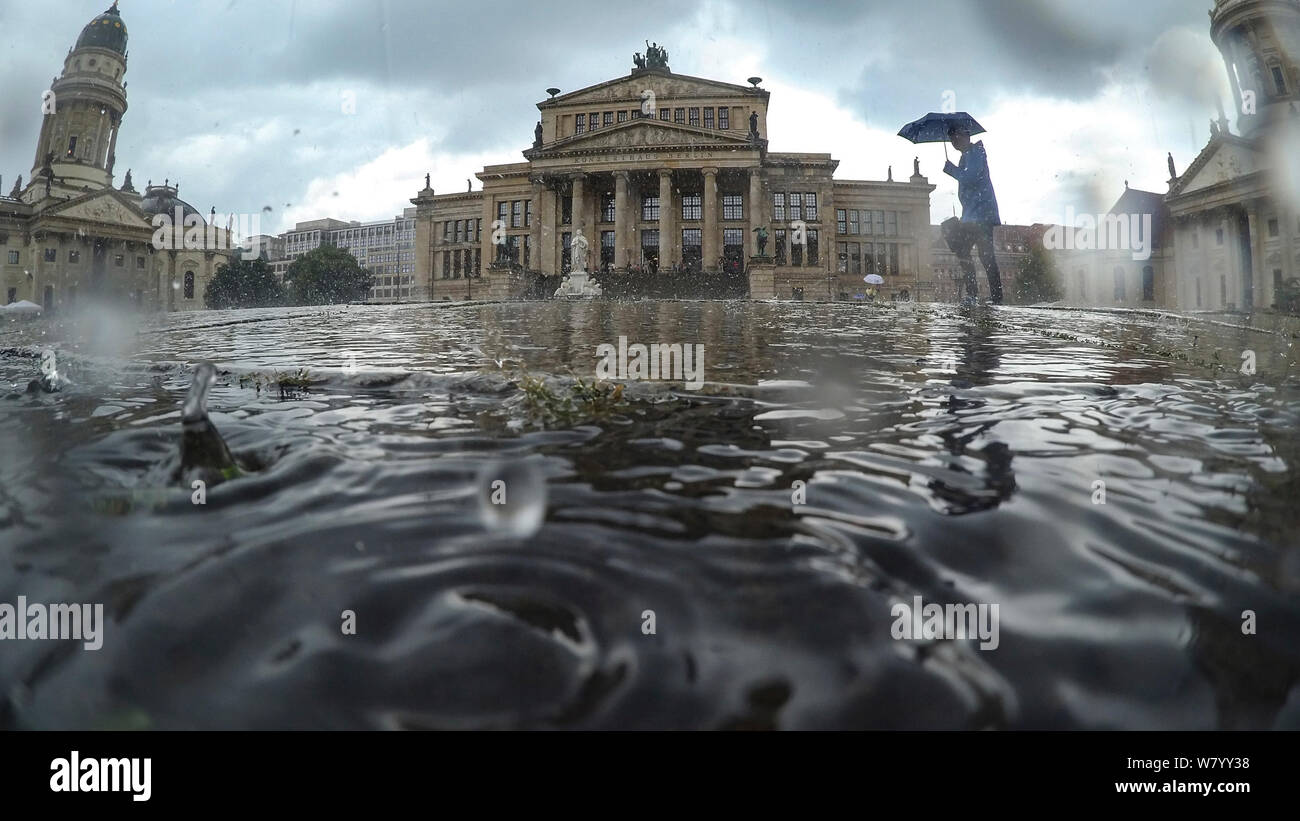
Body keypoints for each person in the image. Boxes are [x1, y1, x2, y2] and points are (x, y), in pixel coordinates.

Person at [943, 123, 1004, 306]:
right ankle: (974, 294)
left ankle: (994, 297)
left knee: (985, 255)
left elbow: (970, 177)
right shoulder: (967, 155)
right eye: (951, 139)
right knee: (966, 250)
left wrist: (952, 170)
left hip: (982, 215)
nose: (954, 142)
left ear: (966, 135)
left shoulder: (976, 152)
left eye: (956, 137)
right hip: (972, 215)